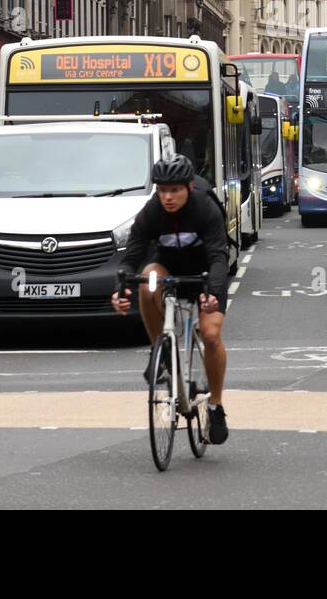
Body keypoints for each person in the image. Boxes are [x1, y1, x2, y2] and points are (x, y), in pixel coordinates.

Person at [112, 155, 230, 445]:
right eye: (162, 190)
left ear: (189, 186)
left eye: (175, 190)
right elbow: (132, 257)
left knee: (211, 334)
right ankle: (160, 352)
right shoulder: (151, 212)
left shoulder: (205, 207)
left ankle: (215, 405)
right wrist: (120, 289)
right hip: (168, 268)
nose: (168, 197)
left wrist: (213, 292)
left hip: (204, 275)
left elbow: (218, 254)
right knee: (147, 280)